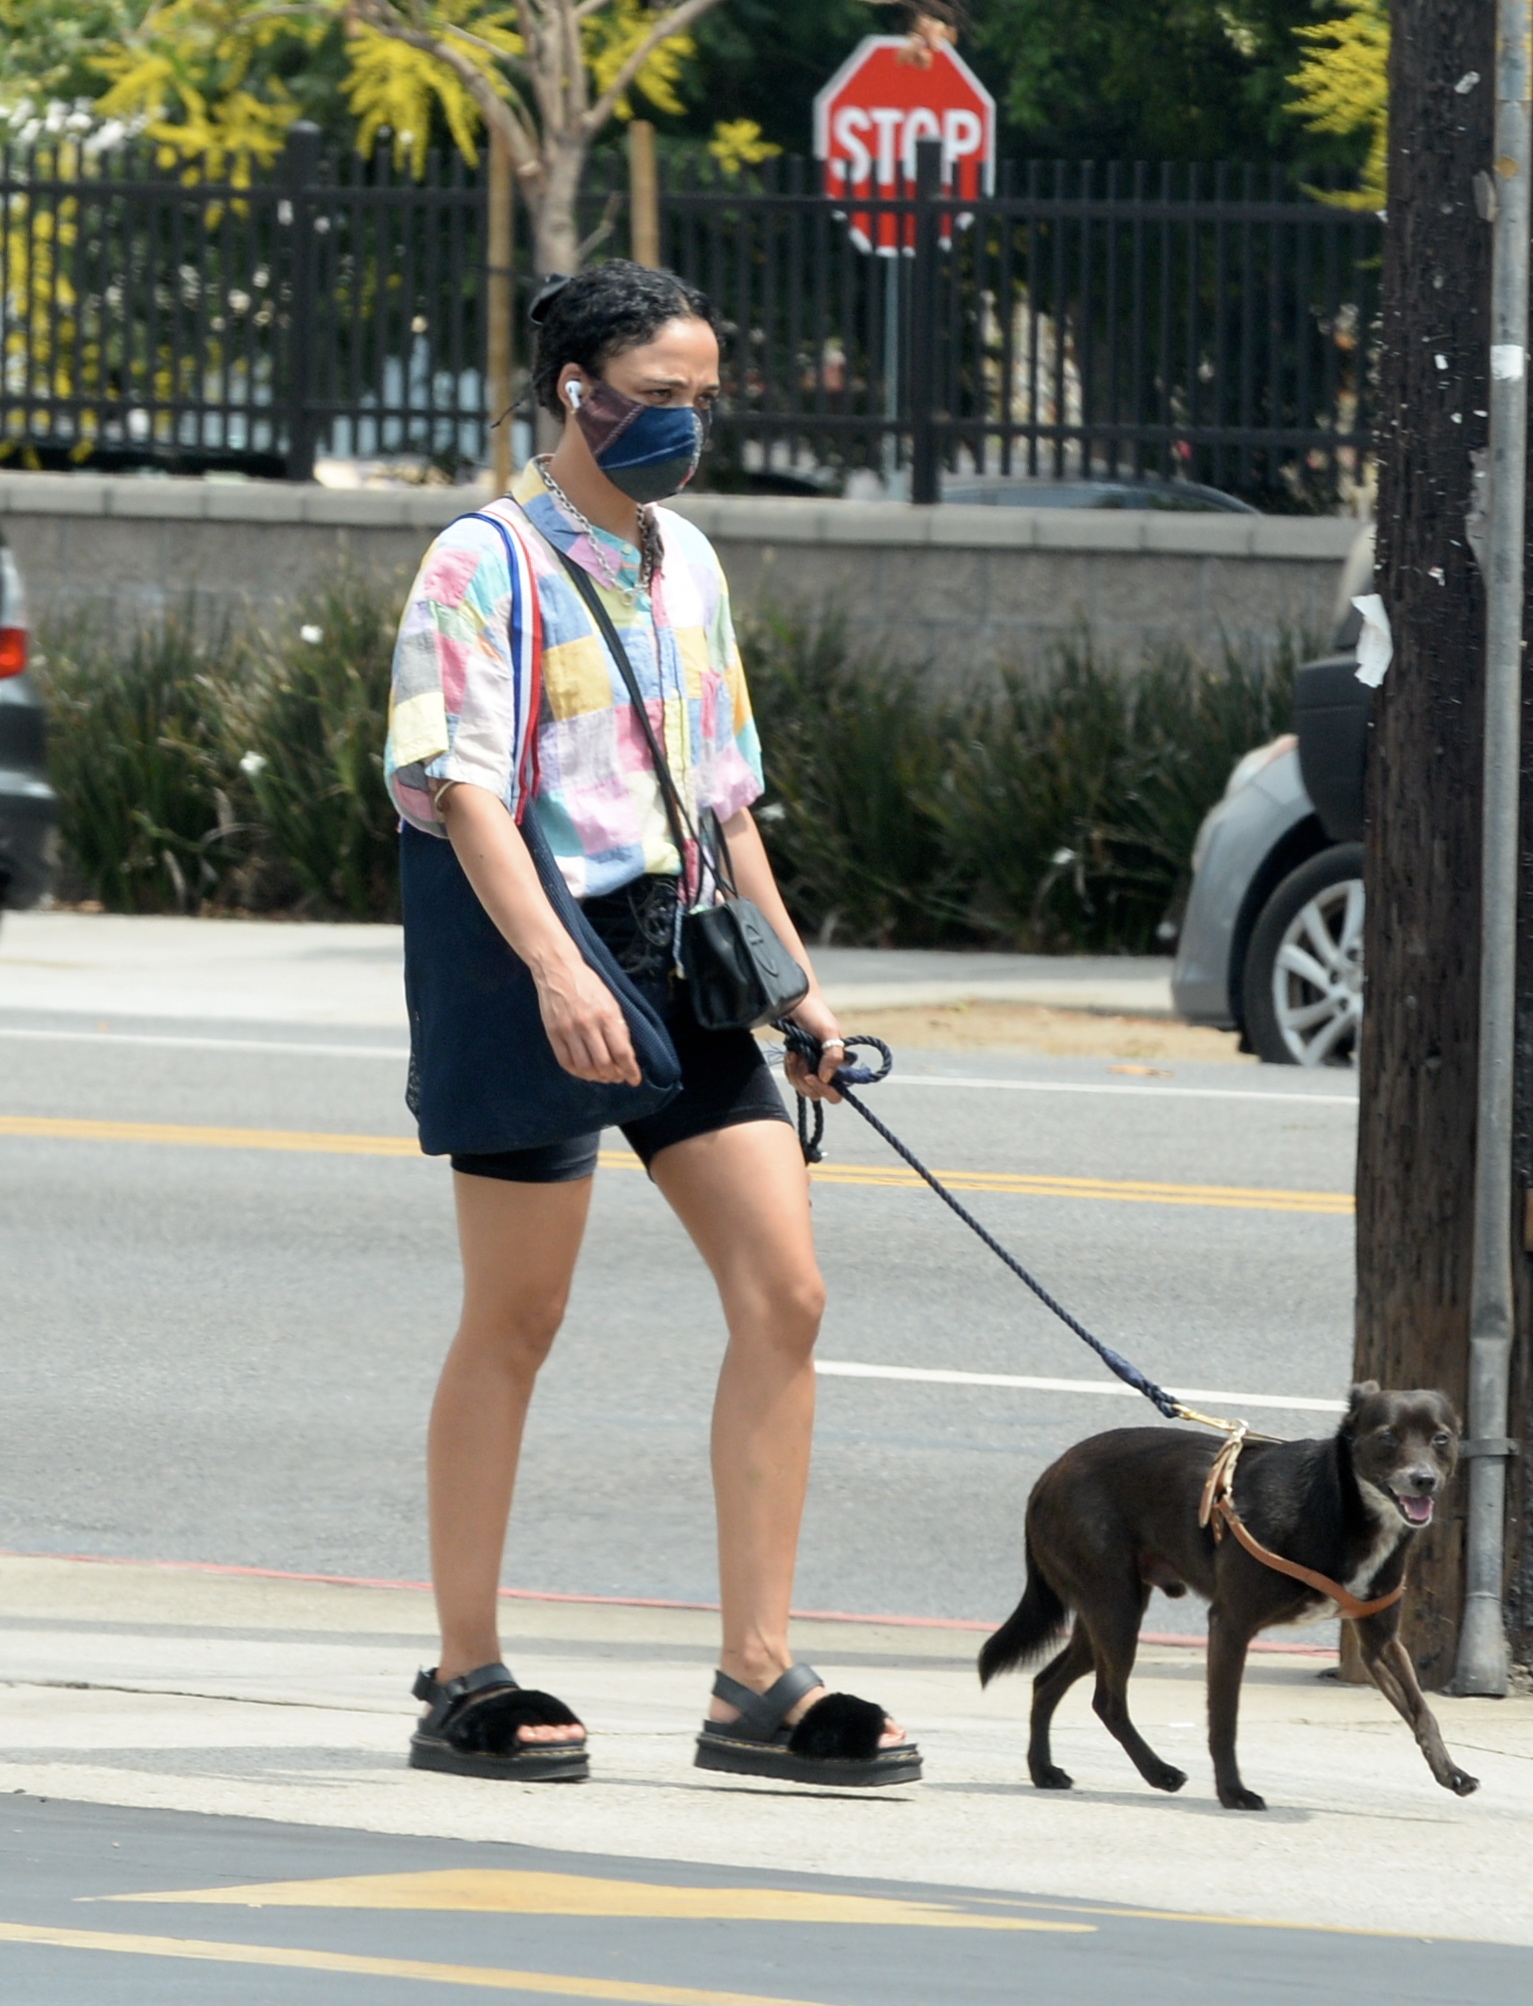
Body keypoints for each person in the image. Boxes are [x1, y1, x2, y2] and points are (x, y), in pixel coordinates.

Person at [383, 260, 918, 1789]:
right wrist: (556, 970)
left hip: (682, 948)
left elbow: (725, 803)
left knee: (789, 1292)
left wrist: (799, 988)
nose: (690, 424)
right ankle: (464, 1666)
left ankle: (755, 1674)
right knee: (520, 1315)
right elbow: (465, 790)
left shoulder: (688, 561)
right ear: (578, 391)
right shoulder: (478, 564)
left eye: (704, 397)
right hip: (531, 948)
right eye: (664, 398)